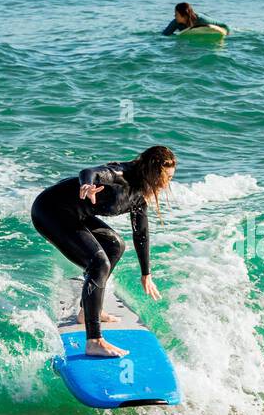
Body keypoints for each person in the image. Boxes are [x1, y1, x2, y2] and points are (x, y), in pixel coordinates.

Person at [31, 146, 177, 357]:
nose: (167, 184)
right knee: (99, 263)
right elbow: (89, 172)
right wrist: (88, 185)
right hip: (50, 210)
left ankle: (87, 311)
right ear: (153, 172)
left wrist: (146, 274)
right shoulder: (120, 174)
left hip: (76, 214)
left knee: (115, 246)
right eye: (167, 177)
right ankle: (94, 341)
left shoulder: (139, 197)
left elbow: (141, 234)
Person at [161, 1, 228, 36]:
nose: (174, 16)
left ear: (184, 16)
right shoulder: (176, 22)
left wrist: (227, 34)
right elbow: (165, 34)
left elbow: (225, 25)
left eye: (176, 14)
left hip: (206, 23)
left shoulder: (202, 20)